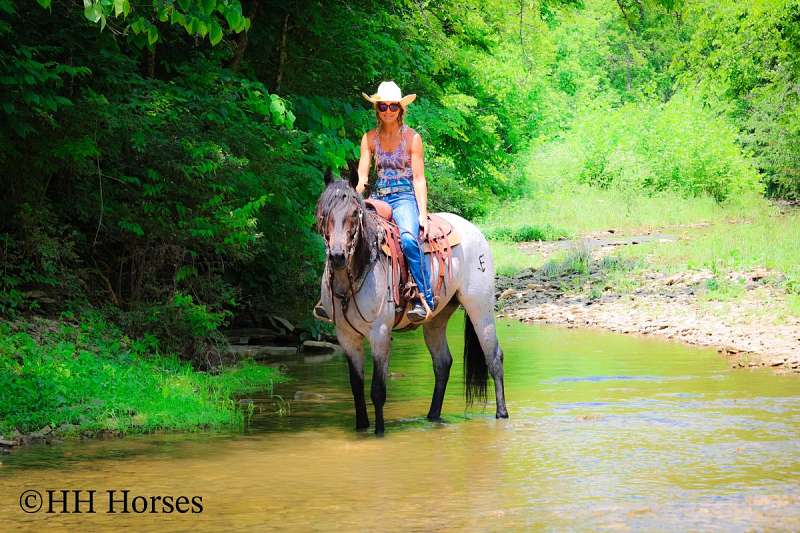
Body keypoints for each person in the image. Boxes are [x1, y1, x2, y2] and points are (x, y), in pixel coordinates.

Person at [358, 81, 435, 322]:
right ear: (377, 109)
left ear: (401, 109)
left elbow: (419, 179)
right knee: (349, 235)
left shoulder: (412, 138)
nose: (388, 111)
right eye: (383, 107)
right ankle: (343, 298)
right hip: (379, 197)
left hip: (404, 197)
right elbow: (362, 177)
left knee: (410, 241)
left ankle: (425, 297)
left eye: (393, 107)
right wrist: (355, 197)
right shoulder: (369, 138)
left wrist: (422, 213)